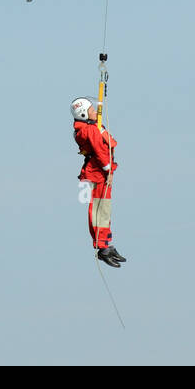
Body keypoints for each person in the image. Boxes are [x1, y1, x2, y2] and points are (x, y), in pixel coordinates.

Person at [71, 96, 126, 267]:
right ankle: (102, 247)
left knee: (104, 209)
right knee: (98, 209)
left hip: (98, 172)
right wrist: (108, 170)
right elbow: (101, 151)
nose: (95, 112)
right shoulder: (89, 131)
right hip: (96, 173)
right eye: (92, 110)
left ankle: (105, 244)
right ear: (83, 114)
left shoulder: (90, 128)